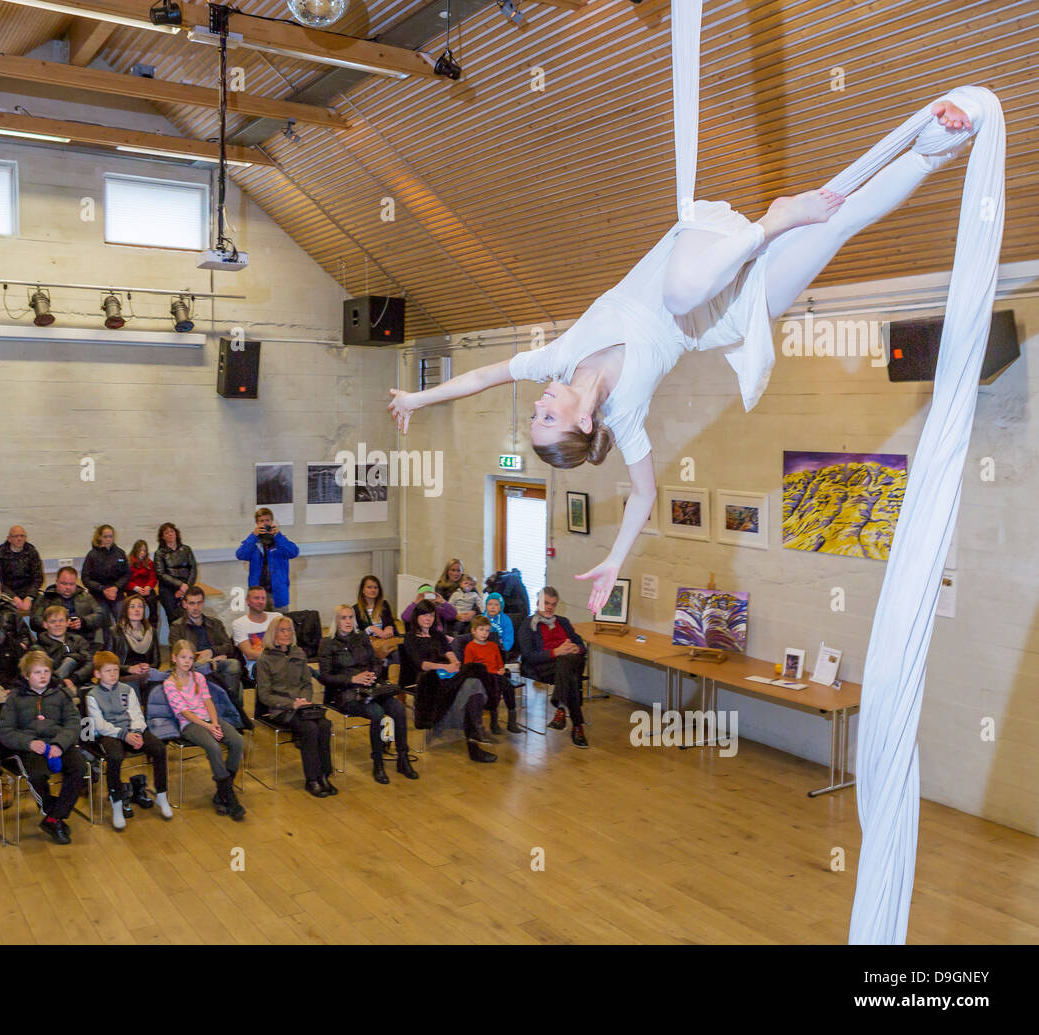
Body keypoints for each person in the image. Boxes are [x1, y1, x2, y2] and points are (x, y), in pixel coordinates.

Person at [387, 95, 982, 613]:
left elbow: (483, 376)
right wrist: (617, 562)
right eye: (547, 418)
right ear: (584, 422)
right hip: (726, 307)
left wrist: (417, 394)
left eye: (535, 416)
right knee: (835, 222)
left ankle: (772, 226)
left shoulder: (558, 358)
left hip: (696, 256)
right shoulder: (622, 417)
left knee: (676, 293)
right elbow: (644, 494)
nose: (538, 406)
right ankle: (936, 146)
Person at [317, 605, 418, 785]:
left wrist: (373, 674)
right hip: (345, 693)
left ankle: (403, 757)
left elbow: (375, 661)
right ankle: (377, 763)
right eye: (343, 618)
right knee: (377, 713)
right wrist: (353, 678)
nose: (348, 622)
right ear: (336, 621)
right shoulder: (327, 643)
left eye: (350, 617)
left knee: (398, 709)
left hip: (370, 687)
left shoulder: (361, 637)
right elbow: (325, 676)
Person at [0, 651, 84, 845]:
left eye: (46, 671)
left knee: (79, 768)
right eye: (37, 672)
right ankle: (53, 812)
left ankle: (54, 817)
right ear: (27, 676)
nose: (43, 676)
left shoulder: (61, 693)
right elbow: (5, 731)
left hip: (58, 742)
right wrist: (29, 743)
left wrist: (60, 744)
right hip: (29, 747)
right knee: (37, 775)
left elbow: (73, 723)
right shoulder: (15, 698)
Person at [83, 652, 172, 827]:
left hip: (132, 729)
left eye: (116, 670)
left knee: (159, 748)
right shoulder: (92, 696)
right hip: (110, 734)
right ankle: (116, 802)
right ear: (97, 674)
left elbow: (136, 714)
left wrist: (137, 732)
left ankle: (162, 795)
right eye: (108, 671)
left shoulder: (127, 689)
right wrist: (125, 735)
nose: (113, 674)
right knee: (115, 757)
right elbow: (100, 725)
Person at [400, 601, 494, 763]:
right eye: (424, 615)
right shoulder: (410, 637)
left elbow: (449, 652)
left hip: (447, 675)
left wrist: (455, 663)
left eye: (431, 615)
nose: (428, 619)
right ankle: (475, 739)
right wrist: (445, 667)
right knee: (473, 680)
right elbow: (421, 664)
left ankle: (474, 739)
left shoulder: (437, 634)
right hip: (428, 679)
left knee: (474, 680)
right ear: (417, 617)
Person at [160, 640, 245, 820]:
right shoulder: (169, 683)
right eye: (183, 657)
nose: (187, 661)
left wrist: (214, 723)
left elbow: (208, 702)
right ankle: (229, 797)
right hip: (190, 724)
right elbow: (184, 712)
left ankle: (222, 793)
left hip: (210, 719)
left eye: (191, 658)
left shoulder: (198, 677)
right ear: (174, 658)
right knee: (213, 747)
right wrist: (208, 727)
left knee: (237, 741)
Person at [256, 615, 336, 798]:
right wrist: (291, 704)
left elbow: (307, 683)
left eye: (289, 630)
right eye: (282, 630)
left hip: (302, 706)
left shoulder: (298, 653)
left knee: (324, 725)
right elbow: (265, 695)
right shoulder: (265, 659)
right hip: (280, 709)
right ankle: (312, 779)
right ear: (273, 634)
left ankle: (324, 775)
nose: (287, 634)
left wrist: (305, 700)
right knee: (309, 728)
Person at [515, 587, 589, 748]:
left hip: (567, 663)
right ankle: (577, 726)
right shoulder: (528, 625)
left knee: (567, 663)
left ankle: (561, 708)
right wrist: (556, 652)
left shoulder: (563, 622)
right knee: (570, 674)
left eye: (553, 604)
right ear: (537, 603)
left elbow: (581, 644)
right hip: (543, 667)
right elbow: (528, 656)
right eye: (546, 603)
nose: (549, 607)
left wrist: (578, 648)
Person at [167, 585, 246, 721]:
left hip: (216, 663)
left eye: (199, 603)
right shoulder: (177, 627)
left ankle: (229, 714)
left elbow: (229, 647)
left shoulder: (215, 623)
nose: (196, 607)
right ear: (185, 604)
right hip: (193, 666)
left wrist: (212, 652)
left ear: (203, 603)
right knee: (215, 670)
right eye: (192, 603)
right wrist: (207, 659)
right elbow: (178, 654)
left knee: (233, 664)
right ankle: (229, 714)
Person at [462, 615, 523, 736]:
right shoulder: (470, 647)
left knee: (508, 687)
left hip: (496, 675)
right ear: (473, 631)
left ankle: (512, 721)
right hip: (482, 677)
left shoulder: (493, 646)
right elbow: (468, 667)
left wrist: (501, 669)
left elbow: (500, 663)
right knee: (495, 687)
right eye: (481, 630)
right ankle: (494, 723)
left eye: (487, 630)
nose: (485, 633)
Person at [235, 507, 300, 610]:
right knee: (258, 623)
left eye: (267, 520)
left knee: (280, 622)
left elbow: (293, 552)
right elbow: (240, 554)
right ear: (257, 523)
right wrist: (253, 536)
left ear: (272, 521)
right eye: (261, 521)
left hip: (278, 593)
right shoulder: (254, 542)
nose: (265, 523)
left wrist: (278, 536)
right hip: (257, 594)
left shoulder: (279, 540)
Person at [31, 566, 106, 643]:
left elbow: (100, 616)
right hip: (52, 642)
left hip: (82, 641)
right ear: (57, 582)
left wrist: (83, 622)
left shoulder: (86, 597)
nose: (68, 587)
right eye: (64, 583)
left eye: (72, 584)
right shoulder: (45, 597)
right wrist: (51, 624)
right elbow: (34, 620)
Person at [34, 605, 95, 699]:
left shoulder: (78, 640)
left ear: (68, 622)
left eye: (61, 620)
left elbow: (90, 663)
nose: (57, 624)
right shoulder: (38, 647)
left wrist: (74, 679)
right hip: (54, 688)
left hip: (80, 682)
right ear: (45, 625)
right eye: (53, 621)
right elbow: (45, 672)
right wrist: (74, 658)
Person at [112, 595, 167, 692]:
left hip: (145, 673)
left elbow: (157, 662)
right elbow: (108, 663)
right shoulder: (116, 632)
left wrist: (147, 667)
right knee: (146, 679)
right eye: (132, 607)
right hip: (124, 675)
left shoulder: (151, 631)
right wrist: (129, 669)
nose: (137, 610)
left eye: (140, 606)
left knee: (162, 677)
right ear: (126, 611)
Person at [0, 525, 45, 612]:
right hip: (7, 594)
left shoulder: (32, 554)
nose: (19, 539)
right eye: (15, 536)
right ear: (9, 539)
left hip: (30, 593)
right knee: (7, 615)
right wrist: (13, 597)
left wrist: (29, 597)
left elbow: (38, 578)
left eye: (22, 536)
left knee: (41, 613)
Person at [82, 524, 129, 623]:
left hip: (117, 592)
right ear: (99, 537)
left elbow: (126, 574)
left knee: (123, 621)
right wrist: (103, 589)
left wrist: (116, 587)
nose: (108, 539)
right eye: (105, 537)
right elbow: (85, 578)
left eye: (110, 537)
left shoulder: (120, 553)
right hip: (98, 594)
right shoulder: (92, 555)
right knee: (105, 623)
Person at [232, 586, 281, 682]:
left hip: (280, 661)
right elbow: (250, 654)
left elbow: (286, 643)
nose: (260, 601)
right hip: (257, 666)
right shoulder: (239, 623)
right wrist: (277, 656)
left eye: (263, 598)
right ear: (247, 600)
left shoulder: (277, 617)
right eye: (256, 598)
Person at [153, 522, 198, 628]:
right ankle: (177, 643)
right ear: (163, 537)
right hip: (168, 588)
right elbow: (161, 574)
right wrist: (179, 585)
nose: (170, 534)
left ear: (176, 533)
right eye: (166, 532)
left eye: (171, 531)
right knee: (174, 619)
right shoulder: (159, 553)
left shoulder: (186, 549)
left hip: (186, 586)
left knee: (190, 616)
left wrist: (185, 587)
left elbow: (193, 569)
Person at [353, 575, 403, 660]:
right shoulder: (355, 609)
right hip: (368, 644)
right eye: (369, 587)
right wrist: (371, 629)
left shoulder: (384, 604)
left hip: (386, 641)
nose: (373, 590)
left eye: (376, 587)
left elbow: (390, 623)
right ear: (362, 590)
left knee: (398, 652)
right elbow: (356, 634)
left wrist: (389, 628)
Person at [124, 539, 158, 614]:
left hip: (146, 589)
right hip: (133, 589)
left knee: (152, 601)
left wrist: (148, 587)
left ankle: (153, 623)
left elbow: (153, 578)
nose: (142, 553)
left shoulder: (149, 563)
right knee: (134, 604)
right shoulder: (128, 563)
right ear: (135, 550)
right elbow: (126, 580)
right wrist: (136, 588)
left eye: (144, 551)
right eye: (140, 550)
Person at [482, 592, 515, 656]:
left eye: (496, 605)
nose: (493, 607)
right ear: (486, 606)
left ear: (501, 607)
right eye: (490, 604)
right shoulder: (481, 618)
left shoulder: (506, 621)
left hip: (498, 651)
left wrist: (500, 650)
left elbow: (508, 641)